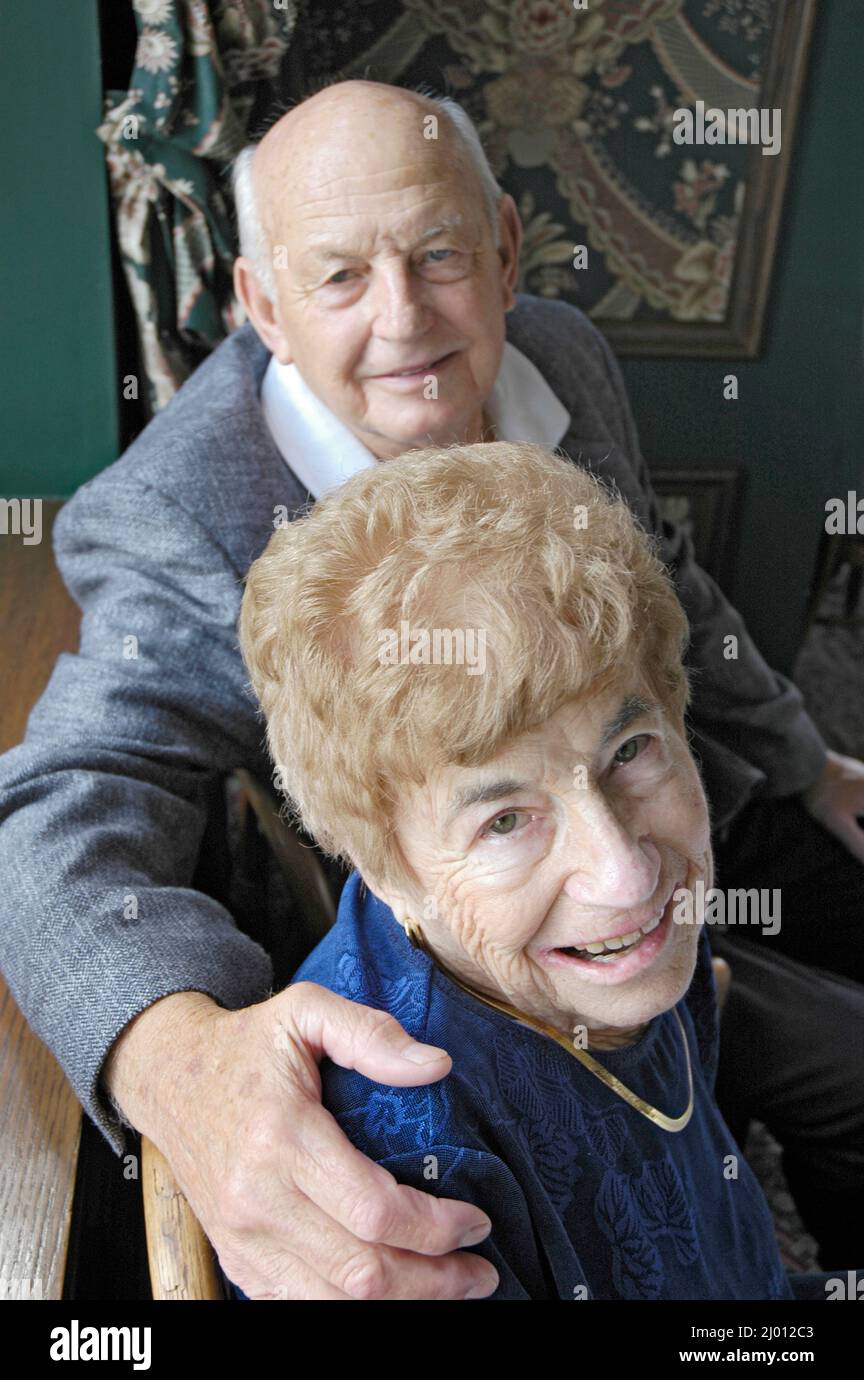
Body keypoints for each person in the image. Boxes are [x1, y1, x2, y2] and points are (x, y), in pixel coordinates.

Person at [0, 79, 861, 1298]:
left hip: (668, 802)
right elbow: (63, 801)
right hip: (494, 961)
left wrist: (807, 760)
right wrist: (171, 1054)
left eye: (441, 252)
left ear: (506, 250)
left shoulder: (561, 349)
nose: (404, 319)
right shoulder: (179, 513)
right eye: (340, 276)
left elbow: (674, 593)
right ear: (262, 306)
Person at [229, 439, 851, 1300]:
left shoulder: (622, 950)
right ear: (383, 865)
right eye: (506, 820)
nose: (626, 874)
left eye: (631, 750)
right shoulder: (400, 1189)